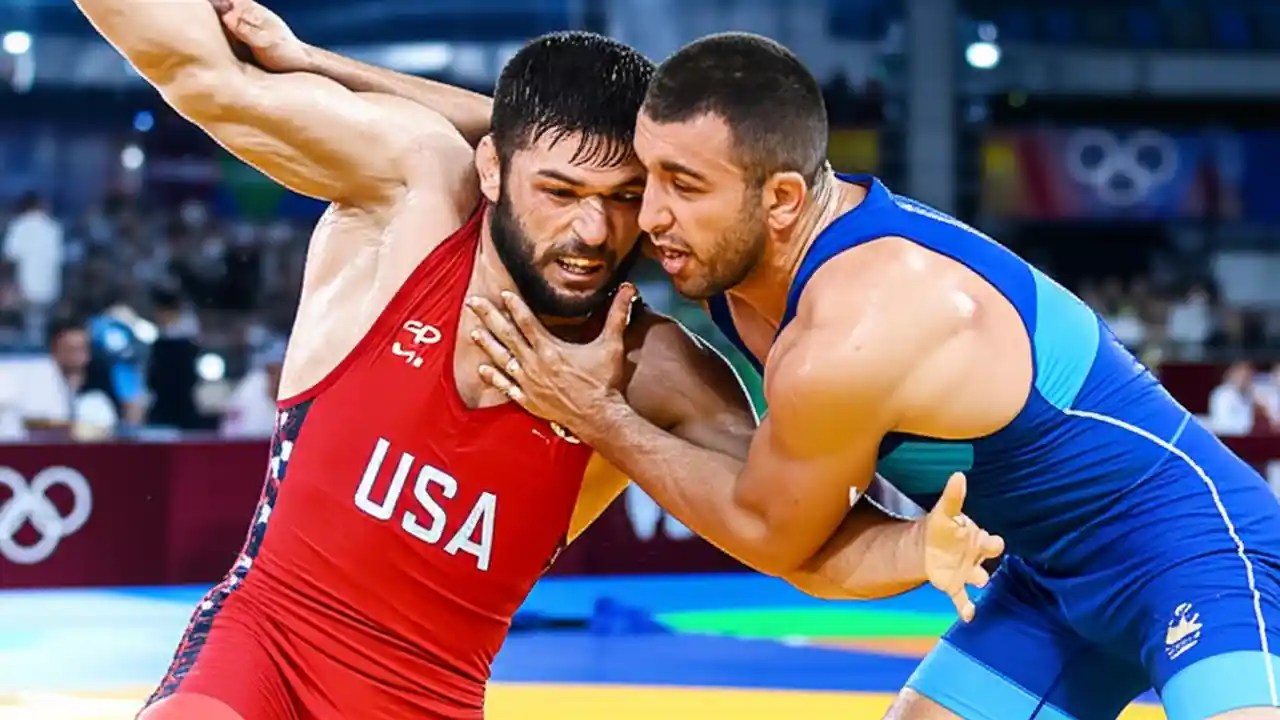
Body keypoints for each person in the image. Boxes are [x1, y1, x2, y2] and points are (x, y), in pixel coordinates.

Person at [74, 2, 1000, 718]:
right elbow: (201, 70)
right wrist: (309, 60)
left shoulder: (654, 370)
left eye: (624, 197)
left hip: (431, 699)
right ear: (493, 172)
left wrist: (921, 546)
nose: (593, 231)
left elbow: (791, 541)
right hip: (263, 648)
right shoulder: (414, 198)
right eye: (559, 192)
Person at [469, 31, 1280, 720]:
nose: (645, 217)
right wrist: (344, 72)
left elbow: (775, 537)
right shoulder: (722, 227)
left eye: (679, 186)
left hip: (1196, 553)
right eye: (650, 177)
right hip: (1043, 581)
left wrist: (599, 413)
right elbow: (517, 133)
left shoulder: (858, 327)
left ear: (781, 197)